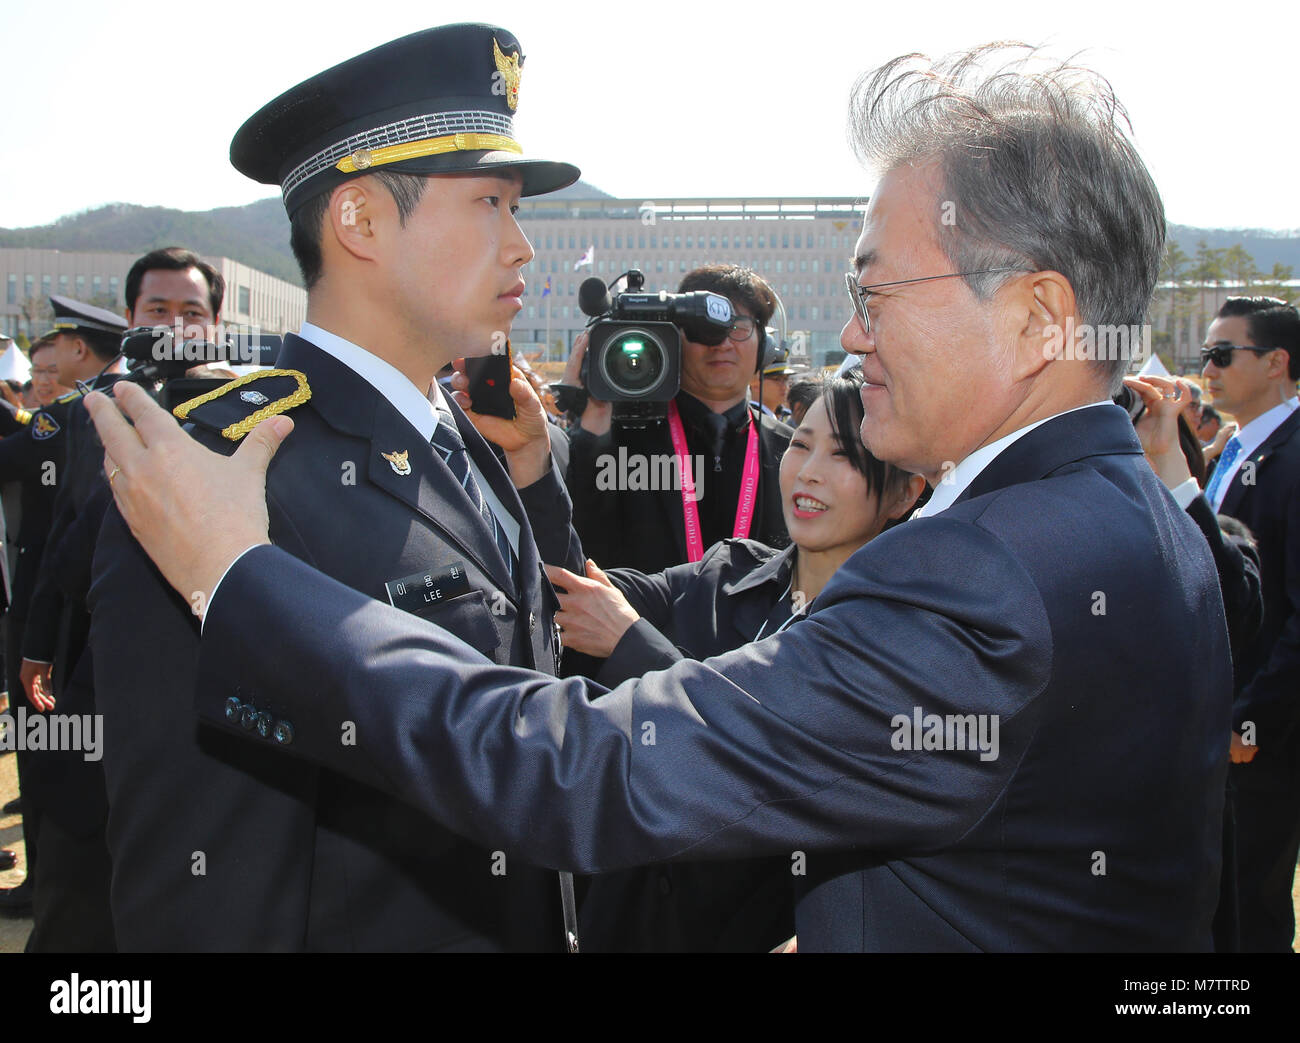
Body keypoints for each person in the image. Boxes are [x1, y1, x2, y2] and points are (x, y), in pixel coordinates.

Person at [89, 44, 1233, 951]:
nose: (848, 334)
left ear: (1038, 317)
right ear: (360, 220)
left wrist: (235, 578)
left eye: (876, 289)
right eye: (489, 205)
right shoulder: (1143, 518)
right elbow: (210, 865)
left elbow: (580, 764)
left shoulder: (992, 566)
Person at [89, 23, 585, 951]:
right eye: (489, 203)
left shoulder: (467, 439)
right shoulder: (230, 474)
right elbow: (207, 891)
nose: (521, 247)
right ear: (358, 220)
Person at [547, 371, 922, 950]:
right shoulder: (727, 571)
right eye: (800, 442)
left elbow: (761, 751)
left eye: (844, 454)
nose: (810, 469)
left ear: (905, 492)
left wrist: (632, 645)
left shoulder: (897, 636)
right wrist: (529, 467)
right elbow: (572, 588)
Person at [565, 264, 794, 574]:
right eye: (704, 328)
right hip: (639, 621)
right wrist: (592, 428)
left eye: (737, 326)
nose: (722, 343)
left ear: (764, 345)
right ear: (676, 339)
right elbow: (576, 544)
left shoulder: (793, 450)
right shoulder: (620, 439)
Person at [1199, 295, 1300, 951]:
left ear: (1276, 363)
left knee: (1252, 909)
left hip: (1260, 735)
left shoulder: (1292, 457)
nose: (1208, 368)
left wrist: (1251, 711)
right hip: (1214, 719)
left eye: (1222, 354)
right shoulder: (1234, 448)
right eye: (1205, 353)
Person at [0, 336, 73, 913]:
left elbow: (13, 453)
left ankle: (46, 883)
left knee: (43, 748)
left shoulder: (65, 420)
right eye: (38, 371)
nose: (42, 380)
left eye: (51, 369)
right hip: (56, 607)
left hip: (47, 609)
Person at [748, 343, 797, 421]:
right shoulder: (752, 421)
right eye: (777, 379)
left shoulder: (770, 418)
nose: (784, 386)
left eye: (786, 379)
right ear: (755, 383)